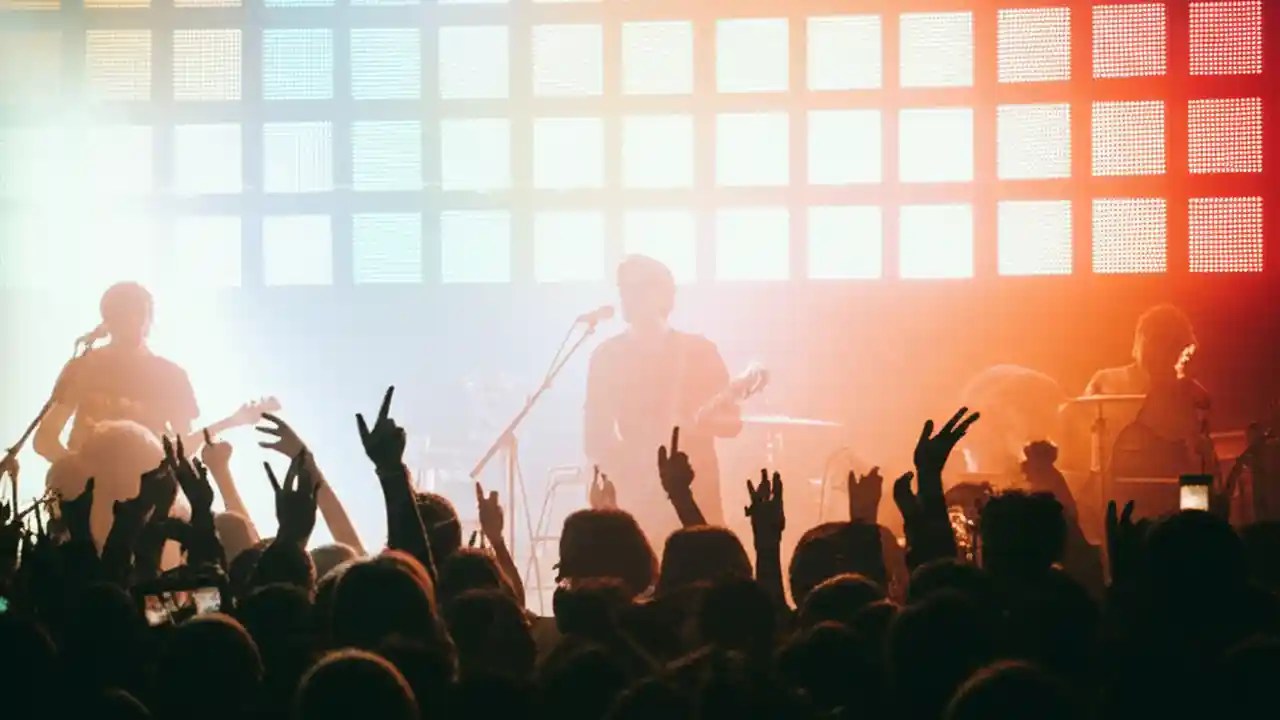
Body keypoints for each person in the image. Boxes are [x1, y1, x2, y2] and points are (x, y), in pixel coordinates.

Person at [584, 255, 742, 541]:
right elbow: (594, 434)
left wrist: (700, 423)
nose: (628, 297)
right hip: (635, 497)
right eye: (624, 289)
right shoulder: (607, 356)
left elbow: (732, 423)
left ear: (662, 294)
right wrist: (622, 470)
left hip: (695, 491)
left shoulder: (699, 351)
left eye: (638, 288)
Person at [35, 282, 198, 464]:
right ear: (107, 320)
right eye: (124, 314)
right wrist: (77, 472)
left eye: (140, 313)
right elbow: (45, 439)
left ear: (150, 318)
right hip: (88, 489)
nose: (133, 320)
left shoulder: (172, 375)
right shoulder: (84, 366)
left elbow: (185, 444)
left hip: (150, 487)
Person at [1084, 304, 1216, 478]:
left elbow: (1199, 464)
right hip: (1116, 495)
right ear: (1139, 343)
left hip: (1175, 494)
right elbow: (1084, 453)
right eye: (1155, 340)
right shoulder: (1105, 383)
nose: (1159, 351)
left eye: (1169, 343)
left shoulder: (1194, 396)